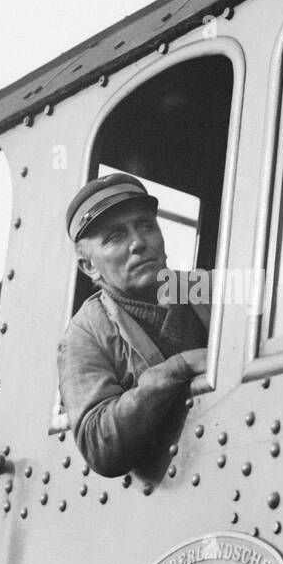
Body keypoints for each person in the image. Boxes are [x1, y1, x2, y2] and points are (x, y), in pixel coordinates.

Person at [57, 173, 209, 477]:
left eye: (145, 226)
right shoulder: (84, 333)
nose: (138, 243)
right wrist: (178, 367)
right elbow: (96, 442)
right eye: (115, 237)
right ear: (88, 266)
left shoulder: (200, 284)